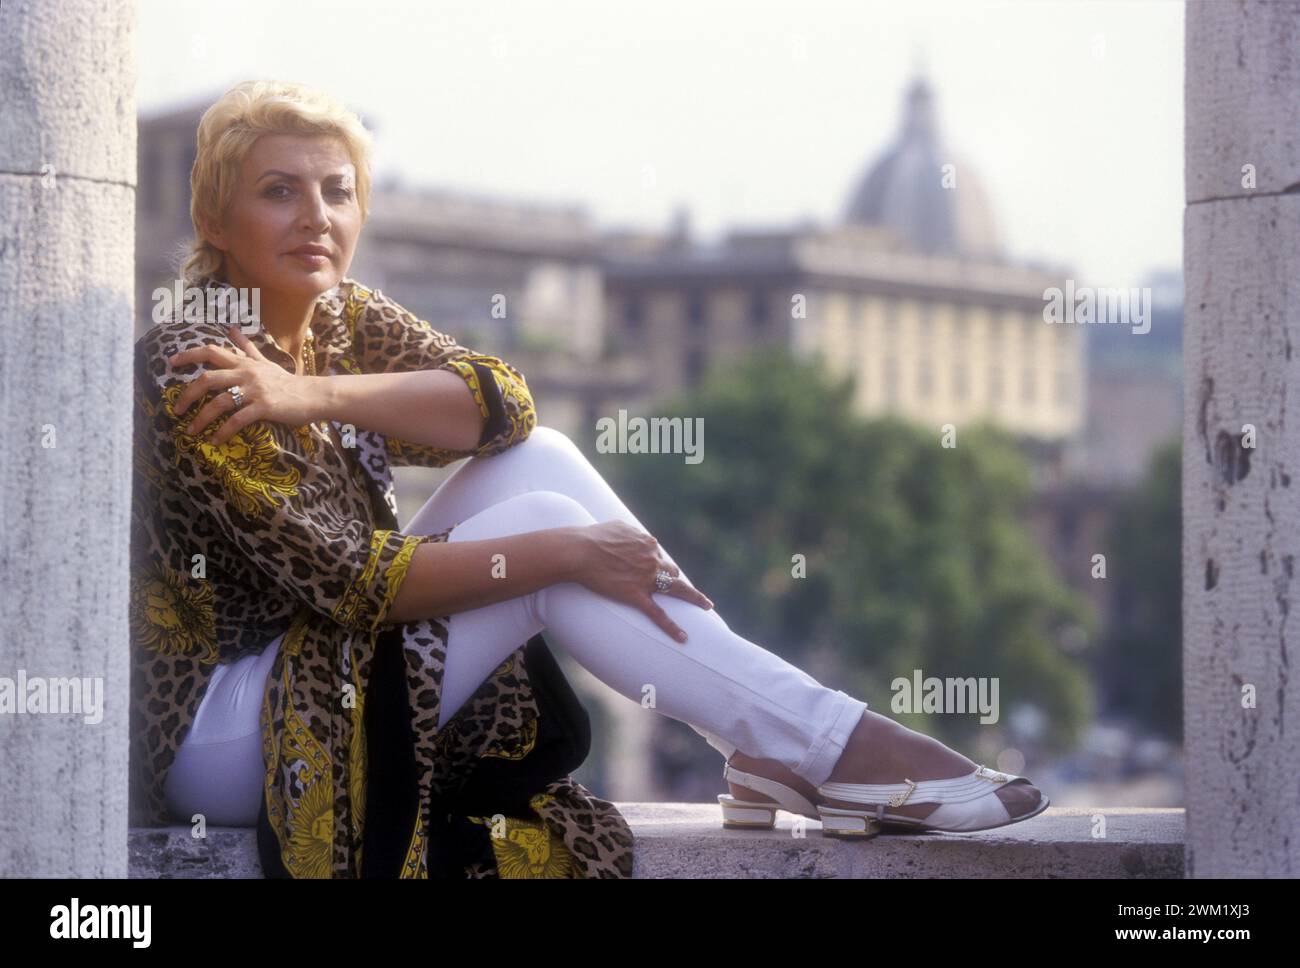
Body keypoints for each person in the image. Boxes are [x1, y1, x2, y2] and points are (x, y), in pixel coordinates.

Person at [130, 80, 1046, 880]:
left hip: (325, 672)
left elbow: (504, 404)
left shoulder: (336, 324)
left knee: (543, 460)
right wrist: (566, 552)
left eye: (338, 192)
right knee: (548, 525)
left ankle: (766, 740)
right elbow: (355, 585)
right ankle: (817, 742)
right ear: (215, 218)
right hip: (228, 738)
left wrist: (315, 392)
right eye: (278, 192)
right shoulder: (195, 362)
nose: (315, 217)